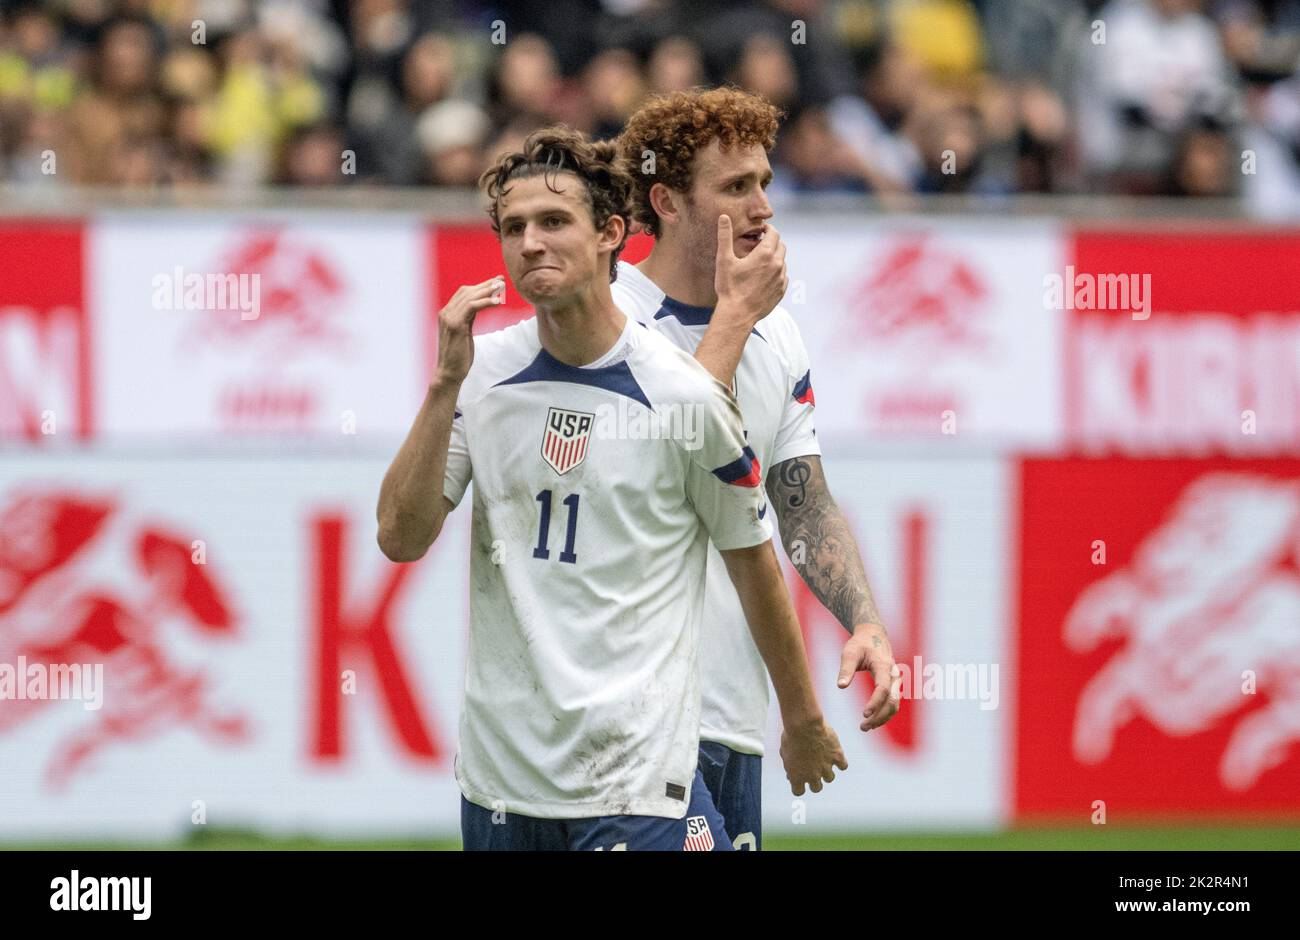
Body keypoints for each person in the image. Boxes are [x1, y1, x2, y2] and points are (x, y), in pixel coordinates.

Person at [376, 127, 845, 850]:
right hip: (501, 787)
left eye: (555, 221)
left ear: (612, 235)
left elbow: (754, 559)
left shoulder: (684, 394)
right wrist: (442, 387)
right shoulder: (481, 376)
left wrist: (803, 718)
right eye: (514, 227)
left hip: (637, 780)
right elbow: (400, 538)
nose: (531, 242)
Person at [615, 88, 900, 850]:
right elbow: (663, 472)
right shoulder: (608, 322)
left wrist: (863, 620)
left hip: (732, 712)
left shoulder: (779, 334)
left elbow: (799, 502)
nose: (764, 207)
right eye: (736, 187)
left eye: (765, 182)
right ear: (667, 201)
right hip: (626, 714)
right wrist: (735, 319)